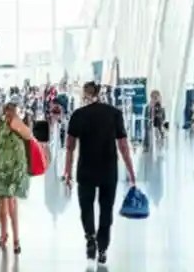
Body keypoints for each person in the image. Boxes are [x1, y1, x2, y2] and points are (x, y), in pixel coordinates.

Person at [64, 81, 137, 265]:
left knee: (86, 206)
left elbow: (70, 146)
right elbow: (123, 146)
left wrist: (67, 171)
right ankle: (103, 248)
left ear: (84, 94)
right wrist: (131, 171)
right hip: (108, 169)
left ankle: (90, 237)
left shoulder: (78, 115)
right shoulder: (114, 114)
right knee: (106, 209)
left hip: (86, 169)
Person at [0, 99, 34, 254]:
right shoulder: (17, 126)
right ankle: (13, 239)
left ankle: (7, 236)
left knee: (5, 206)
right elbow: (29, 138)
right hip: (13, 171)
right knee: (10, 206)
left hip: (4, 170)